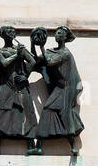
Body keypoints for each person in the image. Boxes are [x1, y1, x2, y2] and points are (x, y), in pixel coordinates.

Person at [0, 24, 35, 155]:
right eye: (9, 31)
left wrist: (25, 76)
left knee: (26, 112)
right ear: (3, 35)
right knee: (2, 113)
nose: (12, 33)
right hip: (6, 86)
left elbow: (32, 62)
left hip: (21, 86)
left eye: (13, 31)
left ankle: (30, 144)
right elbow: (4, 63)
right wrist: (18, 54)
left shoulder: (20, 49)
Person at [30, 25, 84, 153]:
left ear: (66, 38)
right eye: (57, 33)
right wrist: (33, 43)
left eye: (61, 33)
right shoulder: (52, 51)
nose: (57, 35)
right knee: (49, 111)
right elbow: (36, 60)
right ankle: (39, 148)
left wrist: (41, 46)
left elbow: (49, 62)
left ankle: (72, 147)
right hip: (59, 87)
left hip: (67, 88)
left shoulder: (65, 53)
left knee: (64, 113)